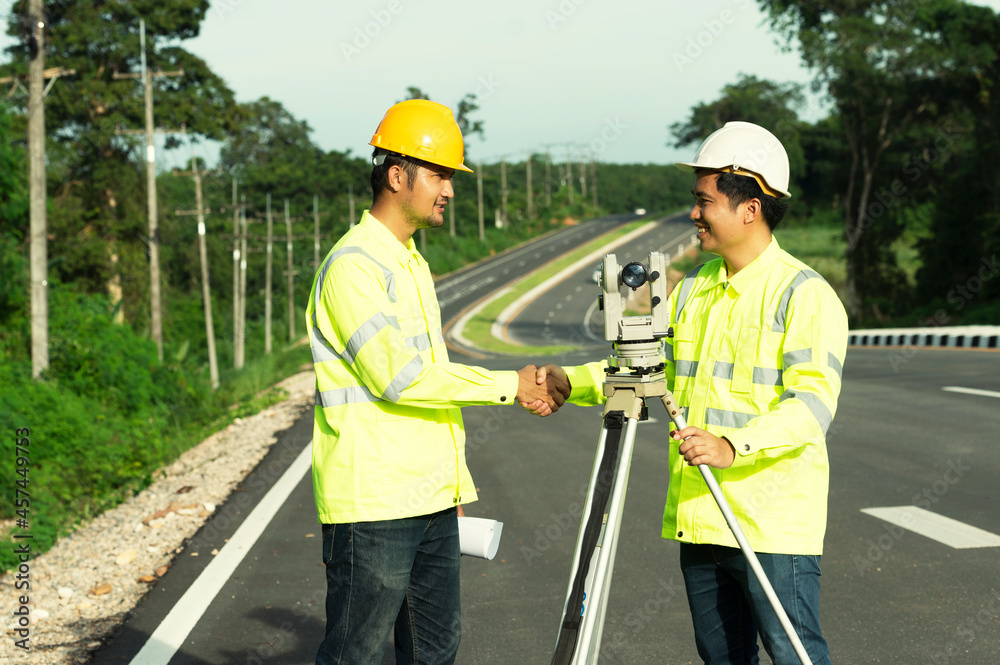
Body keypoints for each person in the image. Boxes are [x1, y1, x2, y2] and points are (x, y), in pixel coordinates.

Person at [528, 121, 847, 665]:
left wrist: (732, 445)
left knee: (795, 655)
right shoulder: (694, 288)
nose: (694, 214)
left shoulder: (803, 295)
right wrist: (570, 382)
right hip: (702, 517)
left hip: (770, 524)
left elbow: (812, 407)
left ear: (751, 207)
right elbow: (643, 367)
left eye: (705, 201)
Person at [306, 98, 569, 665]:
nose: (449, 189)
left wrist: (448, 492)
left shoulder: (412, 261)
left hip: (427, 499)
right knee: (356, 654)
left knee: (434, 653)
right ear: (398, 175)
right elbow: (401, 379)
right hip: (373, 505)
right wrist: (510, 384)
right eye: (441, 175)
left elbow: (433, 386)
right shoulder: (354, 266)